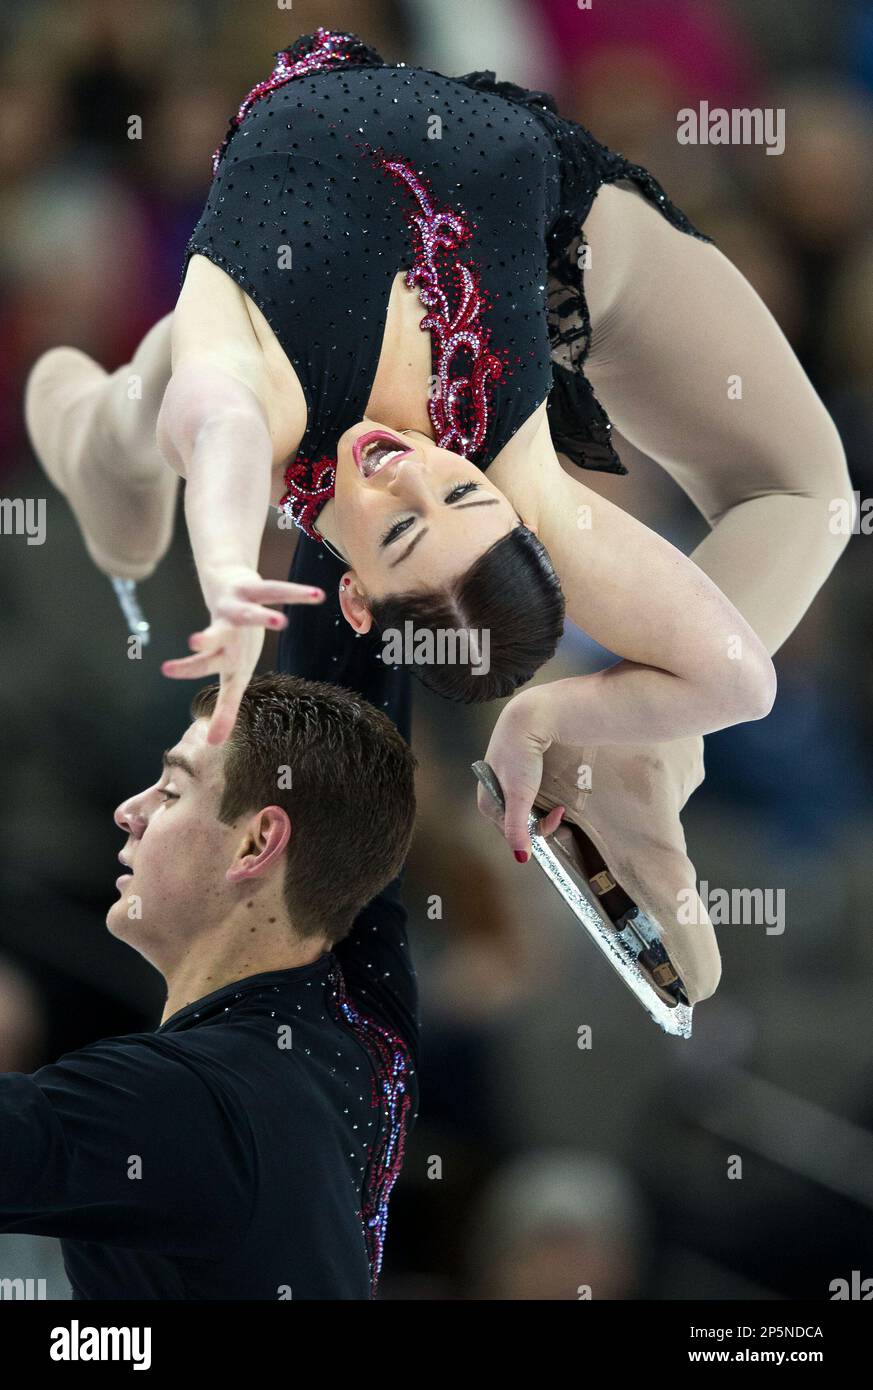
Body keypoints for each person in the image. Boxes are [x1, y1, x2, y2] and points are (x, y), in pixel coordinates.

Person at [24, 28, 853, 1001]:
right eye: (459, 491)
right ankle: (640, 753)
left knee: (152, 417)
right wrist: (560, 711)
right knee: (809, 493)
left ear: (359, 598)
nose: (412, 470)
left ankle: (97, 444)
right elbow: (742, 677)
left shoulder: (266, 398)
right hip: (543, 205)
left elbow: (221, 434)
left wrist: (225, 576)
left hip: (338, 244)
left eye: (406, 524)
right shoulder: (517, 471)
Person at [0, 672, 419, 1299]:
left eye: (170, 792)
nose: (129, 811)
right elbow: (348, 788)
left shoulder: (177, 1100)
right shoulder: (363, 1024)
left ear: (256, 843)